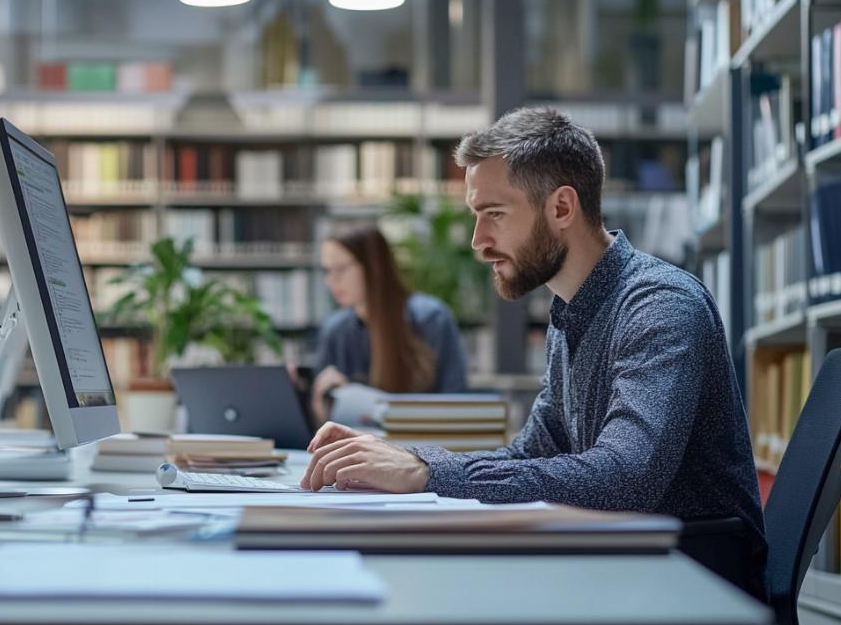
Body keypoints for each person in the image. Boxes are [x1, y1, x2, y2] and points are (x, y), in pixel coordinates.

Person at [300, 106, 767, 599]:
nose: (479, 242)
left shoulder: (659, 306)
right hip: (620, 566)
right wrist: (403, 461)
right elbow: (530, 455)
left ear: (562, 208)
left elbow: (626, 477)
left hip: (691, 583)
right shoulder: (569, 314)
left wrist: (429, 471)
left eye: (494, 214)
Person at [308, 224, 468, 422]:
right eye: (327, 271)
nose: (331, 281)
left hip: (423, 448)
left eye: (340, 269)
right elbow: (324, 421)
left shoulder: (431, 319)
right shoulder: (335, 329)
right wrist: (320, 400)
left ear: (374, 266)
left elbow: (456, 405)